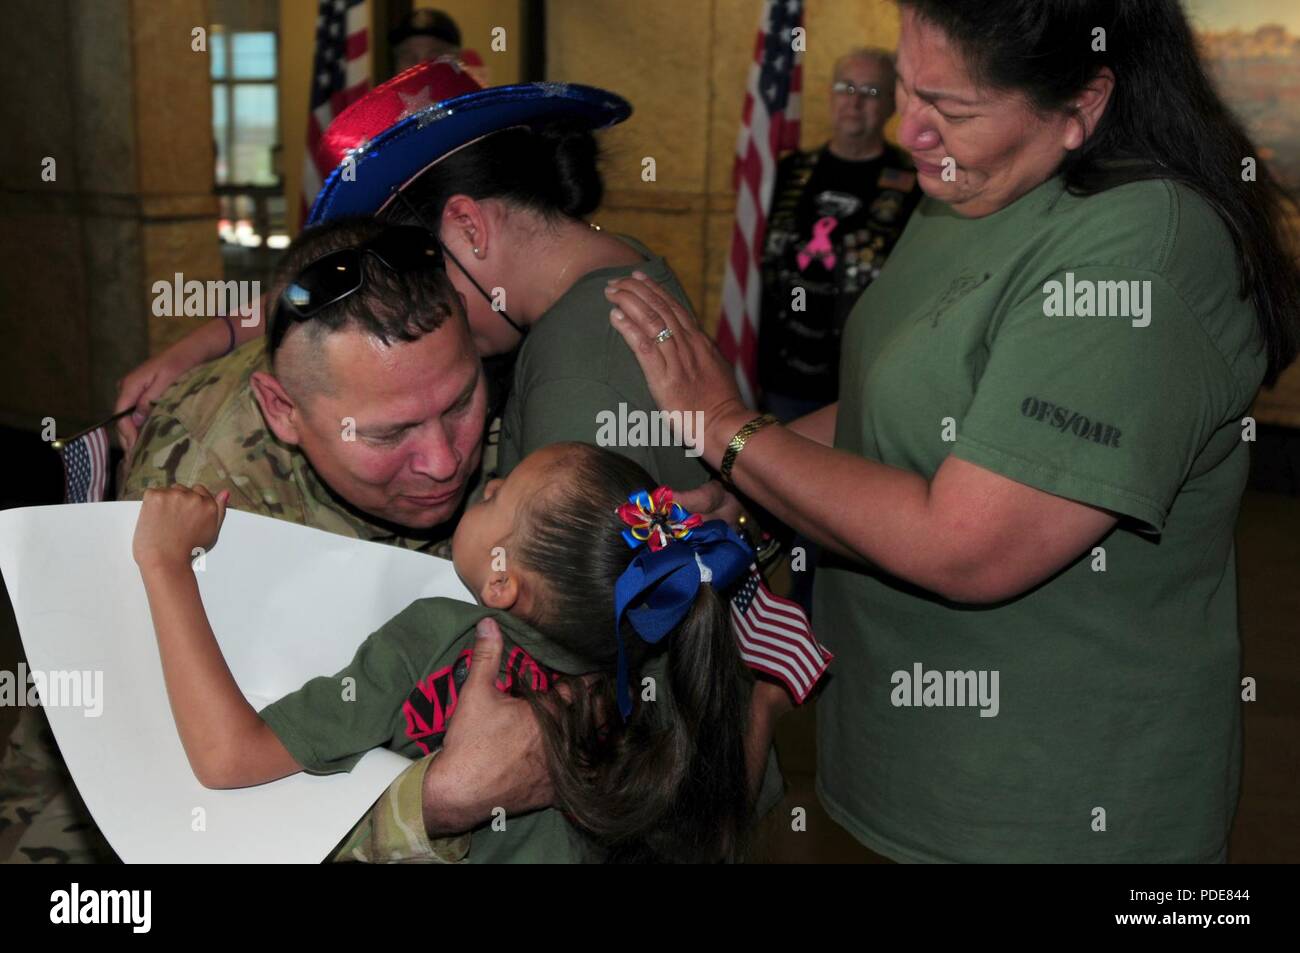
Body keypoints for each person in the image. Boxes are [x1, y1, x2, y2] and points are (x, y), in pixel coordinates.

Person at [604, 0, 1300, 862]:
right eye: (906, 87)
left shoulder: (1142, 249)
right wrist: (749, 492)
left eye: (952, 109)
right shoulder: (969, 188)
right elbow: (887, 415)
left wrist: (730, 429)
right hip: (901, 770)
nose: (909, 128)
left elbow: (968, 545)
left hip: (1051, 806)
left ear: (1083, 104)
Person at [131, 442, 758, 863]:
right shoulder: (646, 684)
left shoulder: (439, 638)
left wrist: (166, 565)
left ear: (502, 582)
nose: (483, 481)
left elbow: (227, 757)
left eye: (497, 497)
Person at [758, 48, 921, 423]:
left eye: (871, 91)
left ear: (892, 105)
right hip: (781, 376)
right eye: (846, 87)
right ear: (830, 95)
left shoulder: (914, 184)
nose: (855, 101)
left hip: (863, 382)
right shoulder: (789, 172)